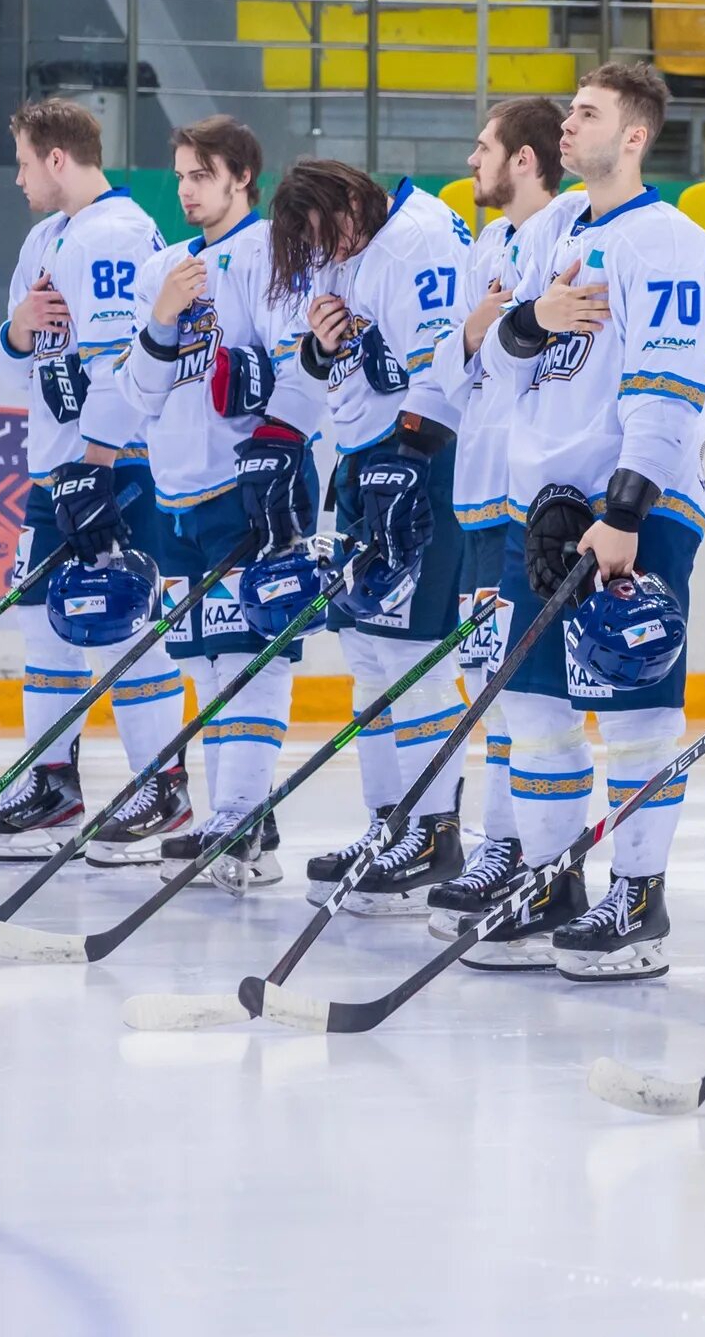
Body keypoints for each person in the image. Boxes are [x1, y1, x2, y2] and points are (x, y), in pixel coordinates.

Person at [465, 62, 705, 981]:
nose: (566, 127)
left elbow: (669, 389)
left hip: (631, 511)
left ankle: (640, 897)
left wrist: (622, 510)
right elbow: (498, 360)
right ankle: (551, 878)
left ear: (636, 135)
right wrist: (536, 313)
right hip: (539, 505)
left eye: (587, 114)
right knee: (532, 709)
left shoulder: (673, 242)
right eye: (569, 112)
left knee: (635, 709)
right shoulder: (553, 228)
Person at [0, 98, 188, 863]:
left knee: (126, 624)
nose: (20, 177)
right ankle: (53, 782)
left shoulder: (118, 236)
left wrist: (98, 464)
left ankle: (163, 786)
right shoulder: (46, 238)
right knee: (42, 624)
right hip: (54, 465)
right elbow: (10, 362)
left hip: (115, 466)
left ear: (58, 159)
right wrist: (19, 327)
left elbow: (127, 366)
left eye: (26, 162)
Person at [262, 161, 477, 915]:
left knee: (411, 653)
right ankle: (390, 822)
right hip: (363, 461)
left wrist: (409, 462)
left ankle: (434, 829)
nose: (328, 251)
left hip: (418, 457)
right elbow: (334, 366)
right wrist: (321, 352)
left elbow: (443, 366)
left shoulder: (417, 241)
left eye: (331, 232)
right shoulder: (349, 251)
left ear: (356, 198)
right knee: (368, 655)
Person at [115, 115, 309, 894]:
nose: (187, 187)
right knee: (203, 658)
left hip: (248, 487)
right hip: (176, 491)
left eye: (203, 174)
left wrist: (276, 444)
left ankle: (235, 813)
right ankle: (241, 818)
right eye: (183, 174)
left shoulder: (273, 252)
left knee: (251, 655)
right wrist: (163, 318)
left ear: (241, 178)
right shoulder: (163, 266)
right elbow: (137, 390)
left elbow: (301, 366)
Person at [423, 97, 565, 935]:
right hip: (476, 493)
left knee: (523, 691)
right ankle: (504, 841)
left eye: (484, 147)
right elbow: (449, 371)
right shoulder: (485, 245)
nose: (472, 159)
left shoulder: (565, 241)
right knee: (487, 682)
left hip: (525, 499)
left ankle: (518, 847)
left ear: (523, 158)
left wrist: (490, 337)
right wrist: (477, 333)